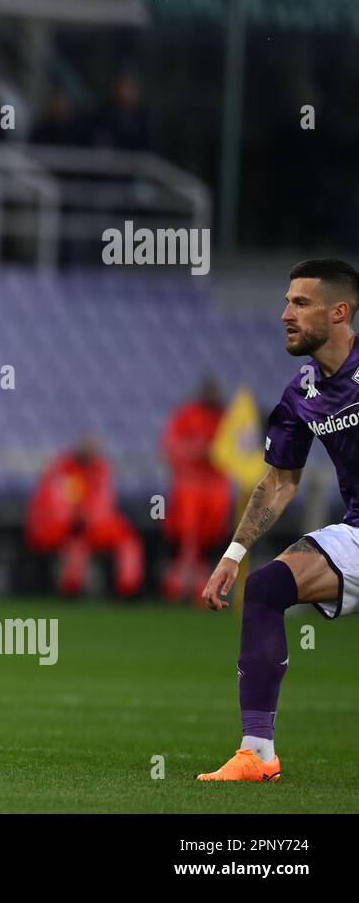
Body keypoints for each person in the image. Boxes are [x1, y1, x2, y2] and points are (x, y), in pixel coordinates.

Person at [198, 259, 359, 782]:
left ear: (340, 311)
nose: (284, 313)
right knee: (265, 589)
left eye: (300, 303)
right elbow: (279, 483)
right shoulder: (301, 395)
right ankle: (258, 754)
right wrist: (233, 555)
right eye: (287, 301)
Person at [25, 434, 142, 597]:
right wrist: (79, 516)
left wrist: (88, 516)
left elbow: (104, 501)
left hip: (90, 524)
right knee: (77, 541)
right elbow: (59, 502)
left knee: (127, 541)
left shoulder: (100, 469)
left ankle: (127, 588)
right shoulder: (64, 468)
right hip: (60, 525)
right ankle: (71, 587)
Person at [160, 378, 232, 602]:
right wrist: (197, 450)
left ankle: (198, 575)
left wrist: (215, 454)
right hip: (190, 484)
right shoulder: (186, 415)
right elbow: (171, 449)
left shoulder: (227, 418)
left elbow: (236, 452)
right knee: (188, 530)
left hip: (214, 487)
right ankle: (185, 575)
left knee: (209, 531)